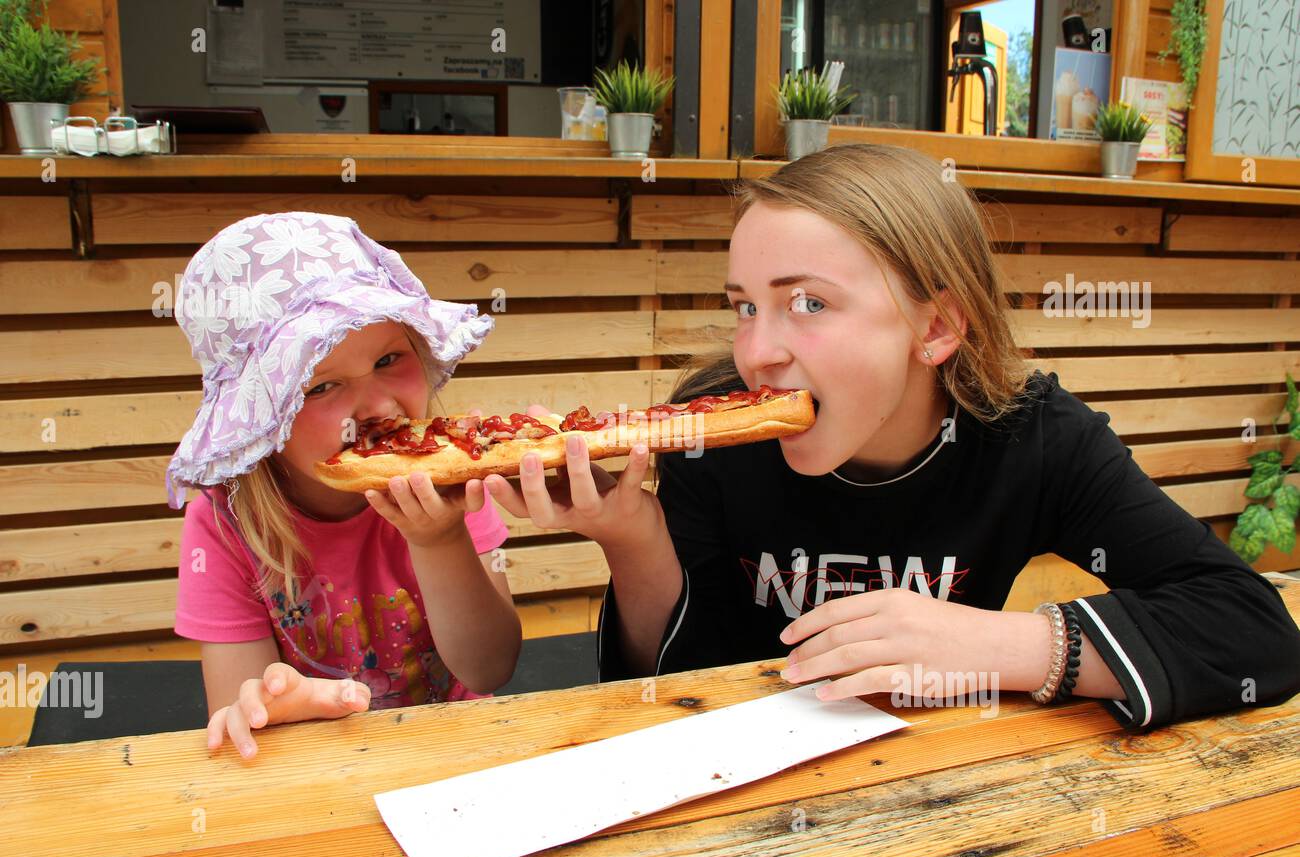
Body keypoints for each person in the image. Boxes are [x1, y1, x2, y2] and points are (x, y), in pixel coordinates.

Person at [485, 143, 1300, 732]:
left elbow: (1251, 630)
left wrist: (1010, 644)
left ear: (936, 325)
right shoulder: (712, 427)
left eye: (808, 303)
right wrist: (630, 535)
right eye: (745, 305)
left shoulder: (1035, 438)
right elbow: (676, 679)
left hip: (947, 771)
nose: (758, 350)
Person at [167, 212, 521, 759]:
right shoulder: (225, 526)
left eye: (388, 359)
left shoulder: (449, 481)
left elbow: (492, 666)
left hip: (459, 753)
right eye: (321, 386)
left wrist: (439, 539)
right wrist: (278, 706)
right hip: (322, 767)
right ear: (261, 417)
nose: (378, 407)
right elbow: (241, 721)